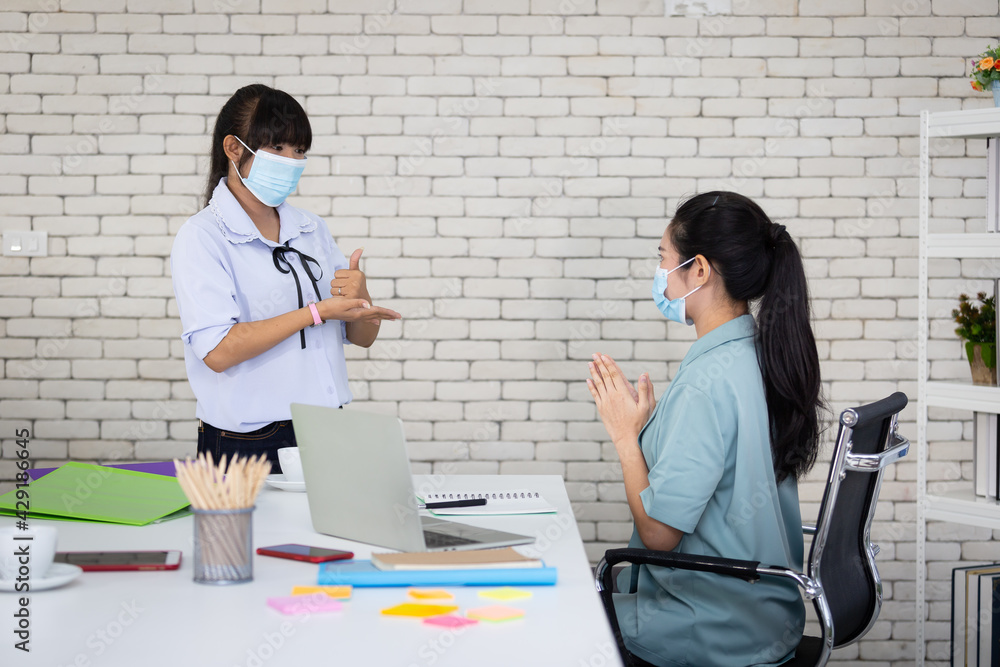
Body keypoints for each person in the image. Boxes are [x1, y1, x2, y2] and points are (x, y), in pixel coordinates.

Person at [587, 191, 823, 667]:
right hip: (768, 617)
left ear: (699, 270)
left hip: (710, 628)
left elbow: (659, 536)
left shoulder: (704, 385)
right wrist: (649, 427)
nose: (659, 275)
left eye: (664, 260)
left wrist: (624, 435)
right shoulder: (763, 354)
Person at [170, 84, 400, 471]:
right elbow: (218, 352)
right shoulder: (203, 236)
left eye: (299, 151)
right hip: (249, 441)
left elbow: (362, 338)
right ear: (234, 148)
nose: (291, 160)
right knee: (244, 535)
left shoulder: (311, 228)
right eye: (277, 148)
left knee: (328, 533)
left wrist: (363, 301)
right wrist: (316, 312)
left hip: (328, 427)